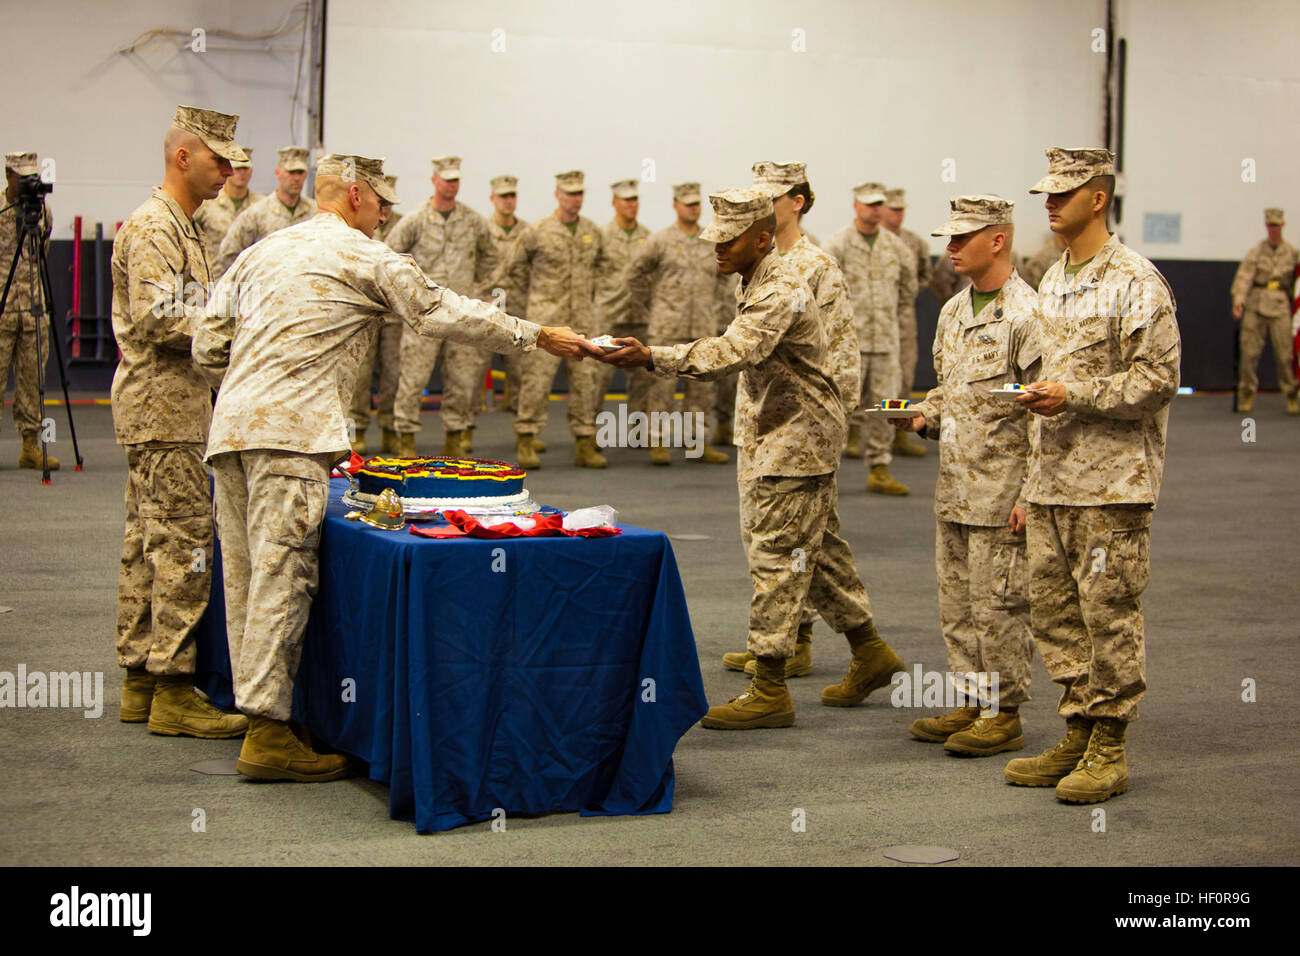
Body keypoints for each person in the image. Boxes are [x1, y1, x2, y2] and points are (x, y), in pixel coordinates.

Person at [194, 153, 599, 780]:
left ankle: (259, 715)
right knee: (282, 577)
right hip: (293, 435)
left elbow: (207, 343)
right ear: (355, 196)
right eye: (382, 202)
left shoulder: (262, 251)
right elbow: (438, 310)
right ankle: (269, 737)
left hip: (233, 431)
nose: (386, 214)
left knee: (246, 577)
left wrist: (256, 379)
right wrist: (536, 335)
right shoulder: (363, 255)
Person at [600, 189, 905, 729]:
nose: (716, 247)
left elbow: (731, 352)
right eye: (714, 238)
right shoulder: (755, 278)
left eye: (728, 239)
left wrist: (653, 355)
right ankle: (870, 650)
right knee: (820, 552)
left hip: (797, 440)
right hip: (784, 433)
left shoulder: (780, 288)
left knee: (777, 557)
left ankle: (771, 687)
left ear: (762, 239)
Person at [1005, 147, 1180, 804]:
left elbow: (1158, 381)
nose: (1049, 203)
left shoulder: (1135, 279)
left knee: (1108, 613)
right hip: (1054, 479)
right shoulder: (1053, 278)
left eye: (1063, 193)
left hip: (1112, 484)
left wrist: (1073, 395)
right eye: (1046, 193)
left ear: (1098, 198)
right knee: (1053, 612)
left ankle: (1110, 742)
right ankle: (1077, 726)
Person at [109, 105, 250, 738]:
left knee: (147, 544)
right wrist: (236, 329)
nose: (227, 169)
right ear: (182, 156)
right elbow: (159, 318)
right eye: (217, 158)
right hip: (166, 412)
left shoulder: (183, 225)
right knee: (184, 547)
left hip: (170, 409)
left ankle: (142, 680)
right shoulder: (154, 226)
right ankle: (173, 688)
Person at [896, 196, 1041, 755]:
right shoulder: (954, 311)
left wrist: (1031, 494)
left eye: (962, 239)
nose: (950, 248)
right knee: (956, 603)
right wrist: (926, 413)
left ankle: (1004, 714)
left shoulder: (1027, 315)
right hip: (955, 487)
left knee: (999, 605)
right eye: (948, 239)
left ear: (998, 240)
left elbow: (1042, 412)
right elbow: (951, 390)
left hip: (1002, 492)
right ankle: (971, 700)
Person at [720, 161, 859, 677]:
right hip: (759, 419)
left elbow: (840, 350)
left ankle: (791, 643)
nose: (762, 205)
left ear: (797, 200)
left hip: (801, 428)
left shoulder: (814, 265)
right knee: (763, 535)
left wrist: (831, 425)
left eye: (771, 196)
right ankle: (798, 640)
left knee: (798, 538)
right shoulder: (756, 257)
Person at [497, 170, 613, 468]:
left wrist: (592, 294)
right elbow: (514, 267)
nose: (575, 199)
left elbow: (604, 265)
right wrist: (532, 301)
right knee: (536, 381)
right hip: (546, 320)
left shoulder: (591, 230)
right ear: (557, 195)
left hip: (582, 320)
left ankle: (585, 442)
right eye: (569, 193)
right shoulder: (538, 231)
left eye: (579, 193)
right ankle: (526, 437)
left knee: (585, 382)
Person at [385, 157, 499, 457]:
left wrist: (479, 292)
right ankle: (405, 439)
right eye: (447, 179)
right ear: (434, 180)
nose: (452, 185)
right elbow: (389, 255)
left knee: (462, 378)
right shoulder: (416, 219)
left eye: (456, 180)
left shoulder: (473, 220)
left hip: (460, 314)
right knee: (413, 378)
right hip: (424, 314)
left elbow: (491, 257)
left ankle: (455, 437)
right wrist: (407, 293)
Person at [623, 181, 732, 465]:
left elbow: (724, 279)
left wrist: (717, 310)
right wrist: (652, 305)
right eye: (688, 204)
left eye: (697, 204)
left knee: (700, 387)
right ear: (675, 206)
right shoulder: (660, 240)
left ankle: (698, 442)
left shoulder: (712, 240)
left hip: (702, 326)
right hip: (667, 327)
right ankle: (658, 441)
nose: (693, 208)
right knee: (662, 387)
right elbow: (634, 274)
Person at [824, 182, 918, 495]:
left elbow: (908, 290)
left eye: (879, 204)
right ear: (856, 206)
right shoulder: (836, 245)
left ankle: (880, 468)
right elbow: (825, 291)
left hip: (886, 341)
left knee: (887, 405)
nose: (875, 209)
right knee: (837, 407)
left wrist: (891, 317)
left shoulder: (897, 247)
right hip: (848, 342)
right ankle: (823, 473)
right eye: (868, 204)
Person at [0, 151, 59, 469]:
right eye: (22, 179)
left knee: (32, 379)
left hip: (33, 307)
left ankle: (30, 446)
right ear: (8, 176)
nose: (28, 185)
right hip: (2, 307)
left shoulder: (41, 213)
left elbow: (41, 255)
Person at [347, 173, 403, 454]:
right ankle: (356, 429)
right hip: (363, 312)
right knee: (360, 375)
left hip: (393, 315)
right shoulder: (356, 224)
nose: (385, 207)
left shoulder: (404, 225)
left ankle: (390, 427)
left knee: (394, 374)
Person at [593, 179, 652, 428]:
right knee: (597, 378)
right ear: (614, 203)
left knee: (642, 380)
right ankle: (587, 433)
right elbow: (589, 271)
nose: (632, 205)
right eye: (626, 200)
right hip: (609, 315)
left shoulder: (648, 237)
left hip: (639, 315)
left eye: (635, 199)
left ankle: (637, 432)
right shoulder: (602, 236)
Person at [1230, 207, 1299, 414]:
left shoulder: (1292, 253)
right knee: (1249, 352)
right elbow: (1244, 276)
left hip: (1280, 305)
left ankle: (1291, 394)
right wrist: (1239, 299)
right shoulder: (1256, 252)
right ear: (1266, 226)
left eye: (1276, 225)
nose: (1273, 229)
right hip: (1257, 303)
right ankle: (1248, 392)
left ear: (1282, 226)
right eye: (1270, 225)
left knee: (1285, 354)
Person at [881, 187, 930, 458]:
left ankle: (901, 434)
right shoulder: (870, 240)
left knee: (904, 375)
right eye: (893, 209)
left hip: (903, 320)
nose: (897, 215)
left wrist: (904, 296)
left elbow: (924, 274)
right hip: (870, 322)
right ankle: (854, 434)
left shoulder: (914, 243)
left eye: (901, 210)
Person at [215, 146, 315, 274]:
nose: (296, 178)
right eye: (291, 172)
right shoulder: (257, 213)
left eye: (300, 173)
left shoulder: (314, 212)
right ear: (277, 173)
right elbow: (228, 255)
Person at [488, 175, 532, 429]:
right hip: (486, 307)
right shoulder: (482, 229)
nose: (508, 201)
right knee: (470, 374)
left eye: (511, 196)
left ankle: (522, 431)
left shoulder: (527, 231)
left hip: (518, 308)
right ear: (492, 199)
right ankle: (463, 432)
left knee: (521, 372)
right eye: (503, 196)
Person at [193, 147, 260, 275]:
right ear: (228, 171)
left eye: (245, 169)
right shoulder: (208, 203)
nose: (241, 173)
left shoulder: (259, 207)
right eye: (237, 168)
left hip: (247, 280)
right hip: (214, 279)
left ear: (251, 172)